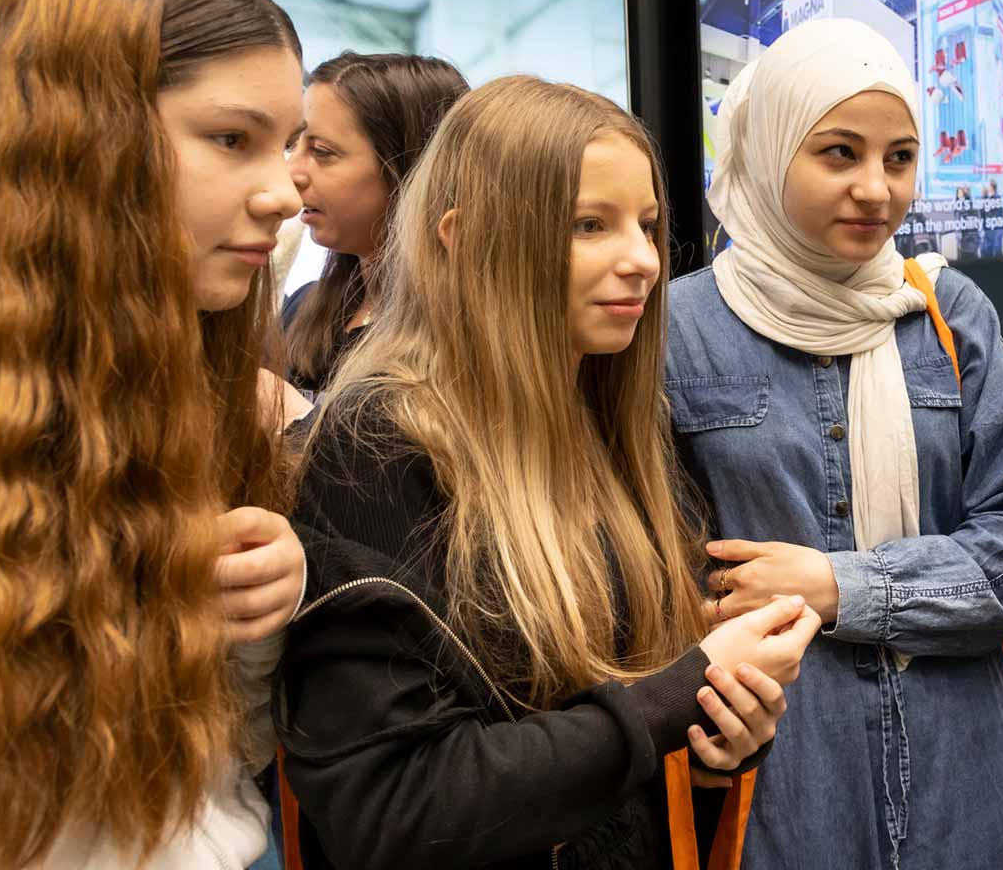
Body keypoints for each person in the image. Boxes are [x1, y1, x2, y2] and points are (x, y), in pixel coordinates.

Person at [278, 76, 819, 870]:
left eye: (646, 225)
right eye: (587, 226)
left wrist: (717, 735)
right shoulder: (377, 447)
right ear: (461, 237)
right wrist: (675, 697)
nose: (641, 260)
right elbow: (397, 811)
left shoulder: (625, 430)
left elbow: (625, 733)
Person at [665, 19, 1003, 870]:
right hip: (783, 766)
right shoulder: (676, 332)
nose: (877, 190)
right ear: (771, 151)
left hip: (965, 759)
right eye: (839, 153)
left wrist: (838, 585)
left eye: (899, 157)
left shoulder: (951, 316)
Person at [0, 0, 309, 868]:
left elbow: (218, 771)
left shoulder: (204, 393)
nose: (284, 194)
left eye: (289, 147)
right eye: (231, 139)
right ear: (79, 139)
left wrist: (259, 608)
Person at [283, 51, 469, 395]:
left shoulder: (465, 346)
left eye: (321, 151)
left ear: (410, 166)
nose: (290, 172)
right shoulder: (304, 310)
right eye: (292, 145)